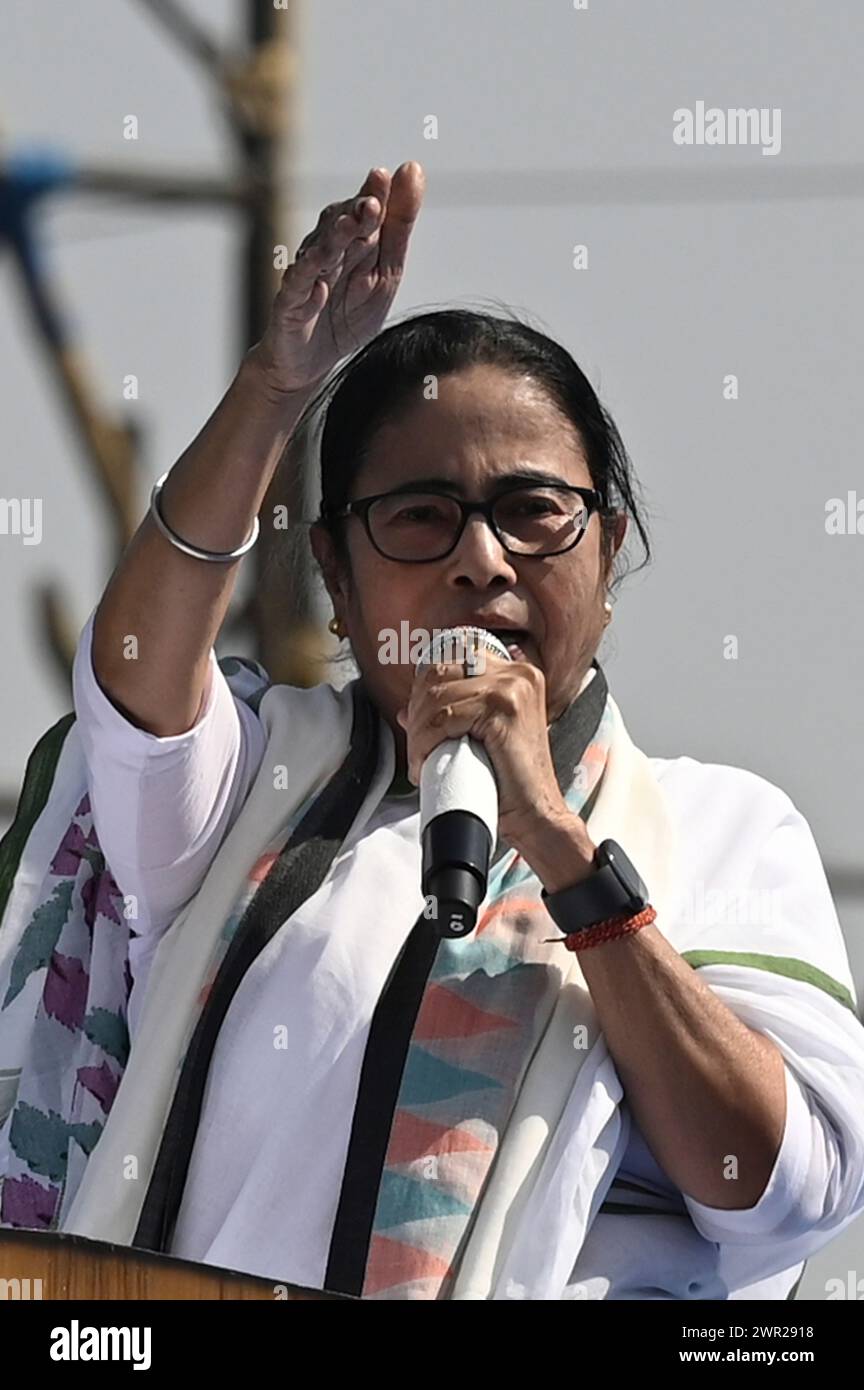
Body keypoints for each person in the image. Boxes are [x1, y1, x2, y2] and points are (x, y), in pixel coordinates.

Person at [1, 160, 863, 1302]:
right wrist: (275, 384)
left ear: (608, 557)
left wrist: (559, 848)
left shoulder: (720, 832)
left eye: (532, 512)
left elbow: (779, 1180)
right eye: (420, 517)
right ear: (336, 583)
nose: (481, 558)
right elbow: (130, 680)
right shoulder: (259, 782)